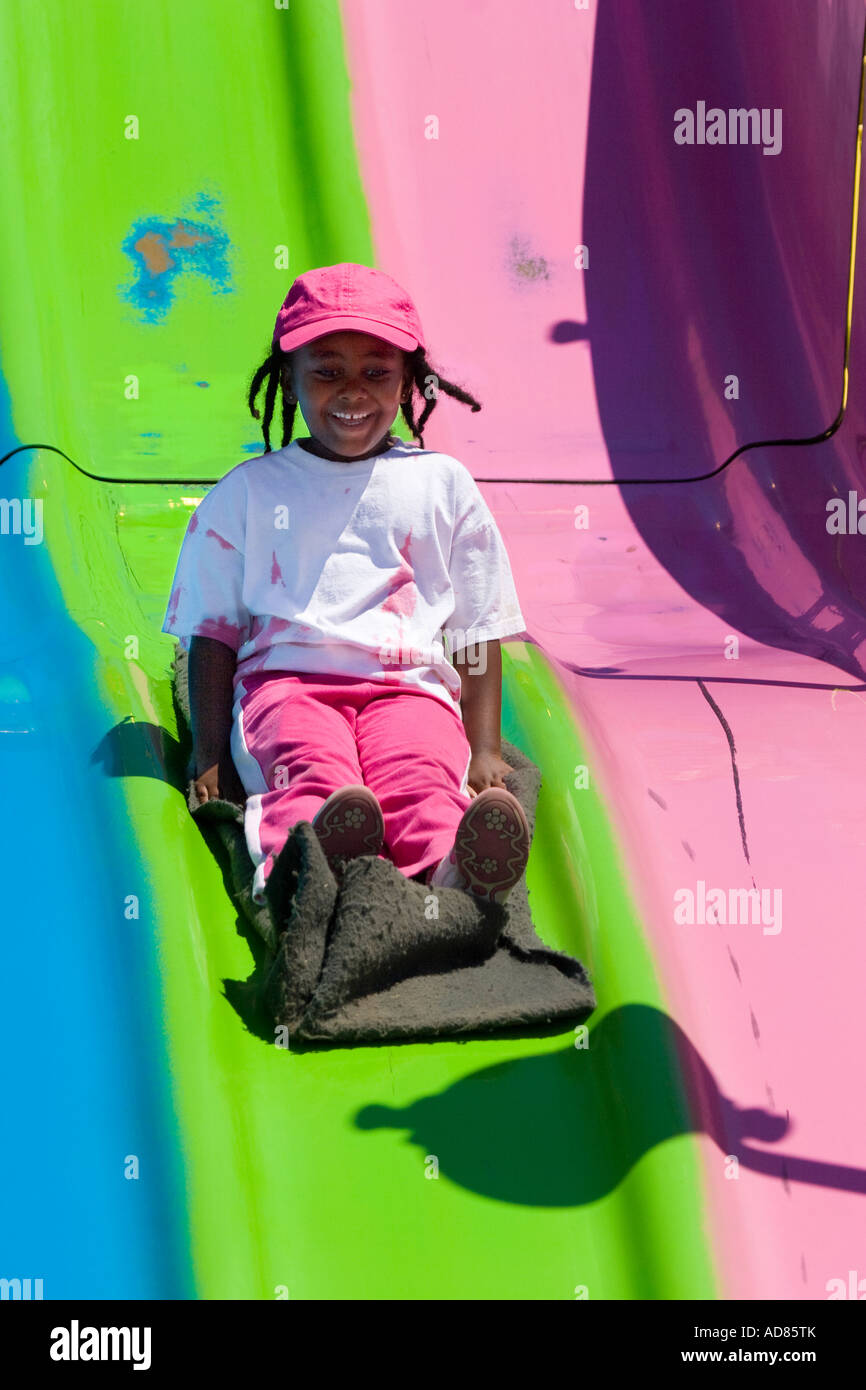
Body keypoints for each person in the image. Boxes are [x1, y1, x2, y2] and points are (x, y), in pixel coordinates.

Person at [162, 262, 530, 906]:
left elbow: (474, 625)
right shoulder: (249, 493)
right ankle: (308, 862)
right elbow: (213, 632)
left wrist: (486, 747)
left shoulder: (442, 485)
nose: (352, 391)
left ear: (409, 380)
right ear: (290, 377)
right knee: (311, 772)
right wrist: (209, 749)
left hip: (407, 689)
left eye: (376, 372)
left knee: (422, 774)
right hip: (288, 688)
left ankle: (455, 869)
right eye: (327, 371)